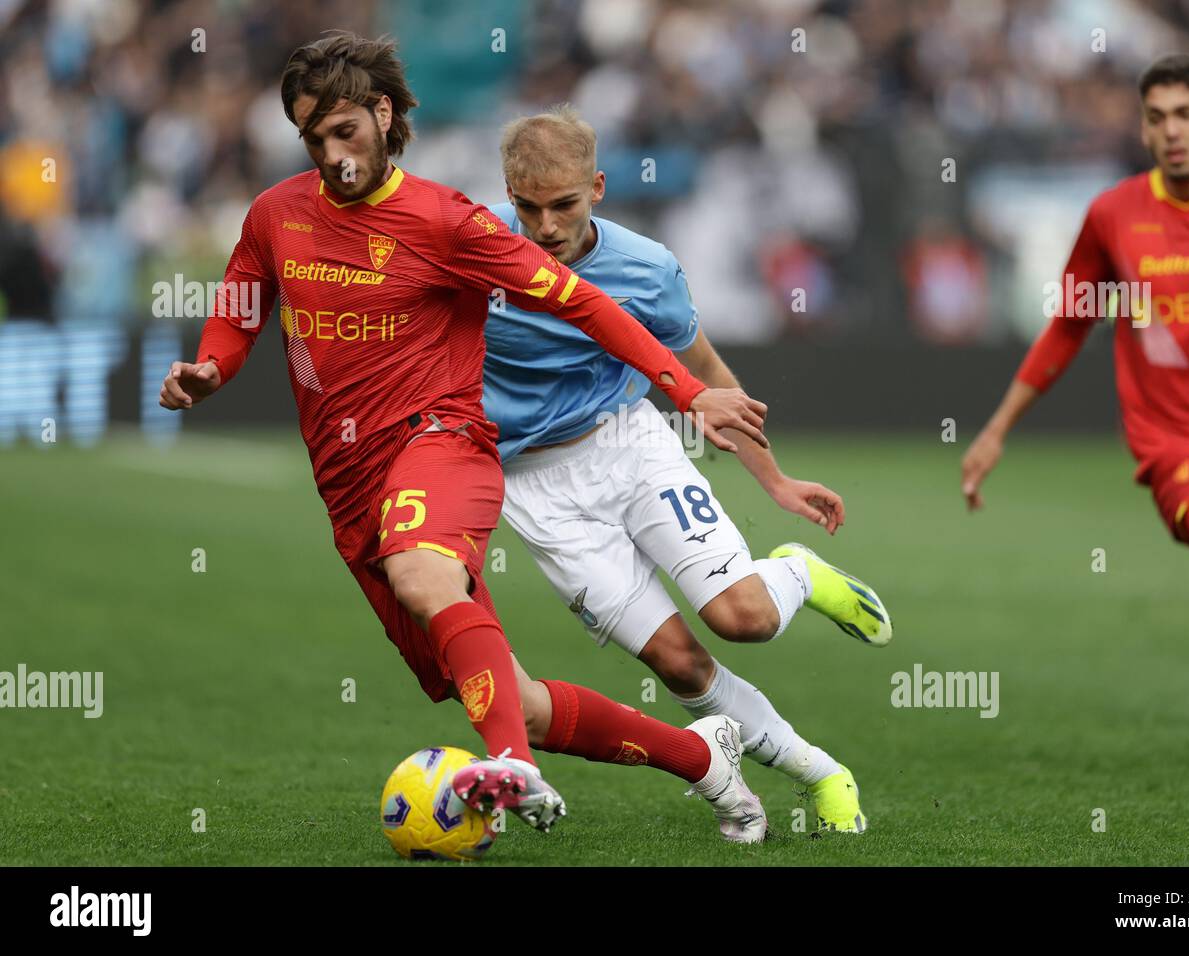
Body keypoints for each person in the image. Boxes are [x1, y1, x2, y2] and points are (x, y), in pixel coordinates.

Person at [159, 31, 770, 840]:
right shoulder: (276, 216)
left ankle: (513, 767)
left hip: (441, 442)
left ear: (383, 114)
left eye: (346, 130)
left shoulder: (448, 221)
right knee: (507, 691)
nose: (333, 154)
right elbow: (240, 308)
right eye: (314, 138)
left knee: (423, 574)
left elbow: (582, 303)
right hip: (352, 490)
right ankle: (705, 760)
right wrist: (209, 366)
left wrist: (688, 390)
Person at [481, 106, 893, 833]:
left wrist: (775, 480)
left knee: (745, 619)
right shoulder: (474, 251)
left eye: (564, 205)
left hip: (629, 447)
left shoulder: (645, 269)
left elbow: (703, 369)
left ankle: (795, 572)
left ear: (598, 188)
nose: (545, 226)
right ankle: (822, 773)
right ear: (508, 194)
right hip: (536, 490)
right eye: (529, 207)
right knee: (677, 666)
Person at [962, 53, 1189, 774]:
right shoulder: (1114, 217)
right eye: (1157, 118)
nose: (1172, 131)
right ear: (1143, 131)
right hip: (1177, 447)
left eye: (1185, 115)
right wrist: (996, 430)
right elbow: (1068, 326)